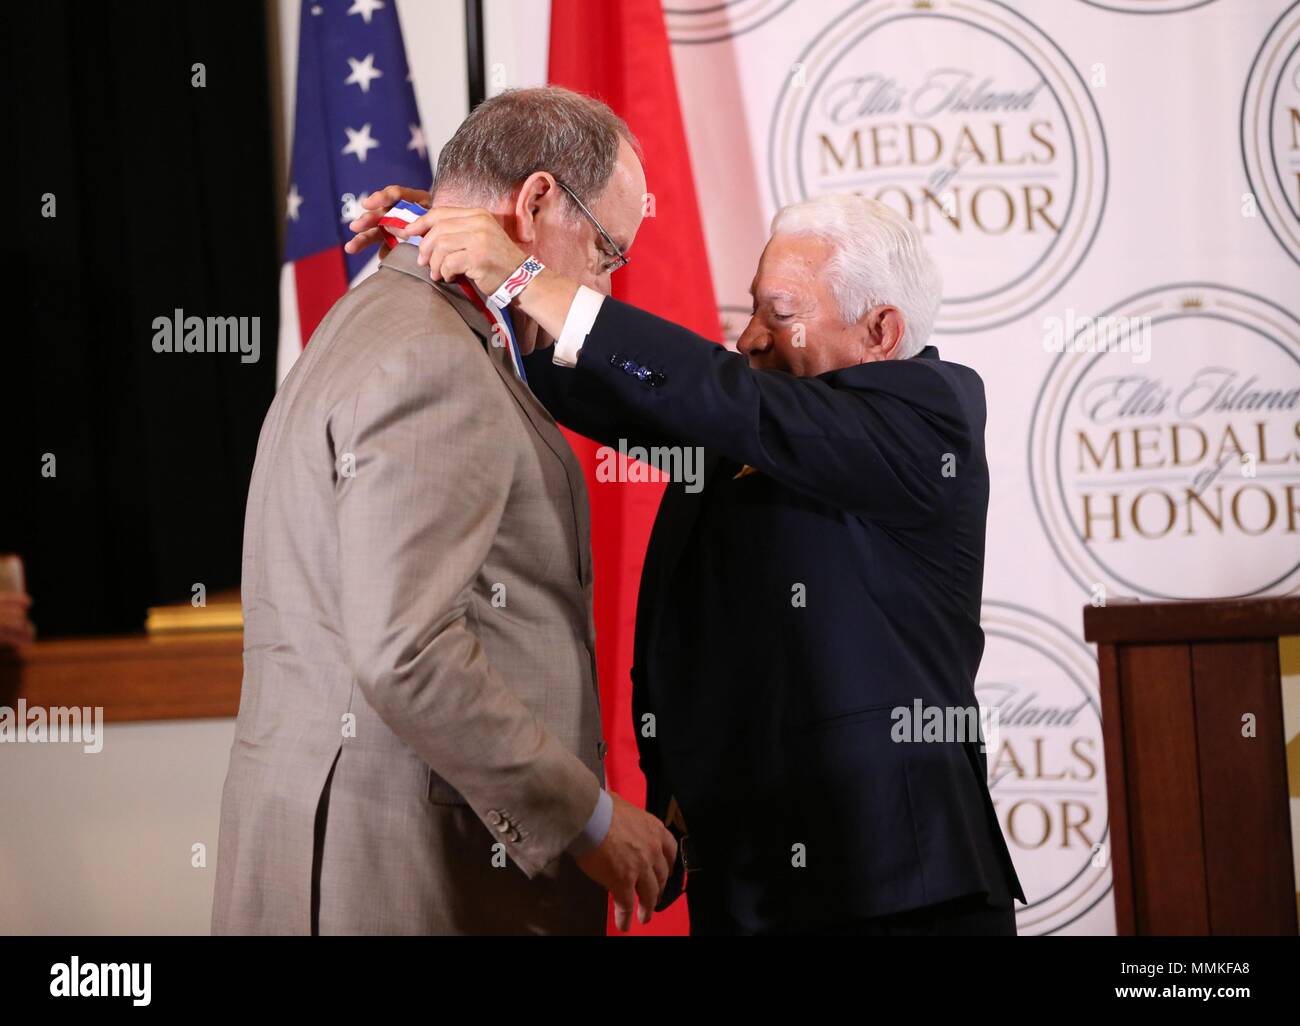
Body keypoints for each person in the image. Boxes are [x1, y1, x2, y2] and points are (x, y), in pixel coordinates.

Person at [349, 188, 1026, 935]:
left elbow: (716, 391)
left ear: (880, 331)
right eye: (753, 311)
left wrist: (518, 275)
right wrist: (481, 239)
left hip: (900, 892)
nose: (751, 340)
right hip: (743, 891)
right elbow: (605, 380)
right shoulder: (743, 426)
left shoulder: (930, 417)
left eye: (782, 313)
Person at [212, 87, 675, 936]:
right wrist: (592, 820)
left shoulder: (374, 321)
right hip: (411, 879)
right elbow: (408, 652)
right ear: (536, 202)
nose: (606, 287)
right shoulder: (435, 357)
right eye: (608, 250)